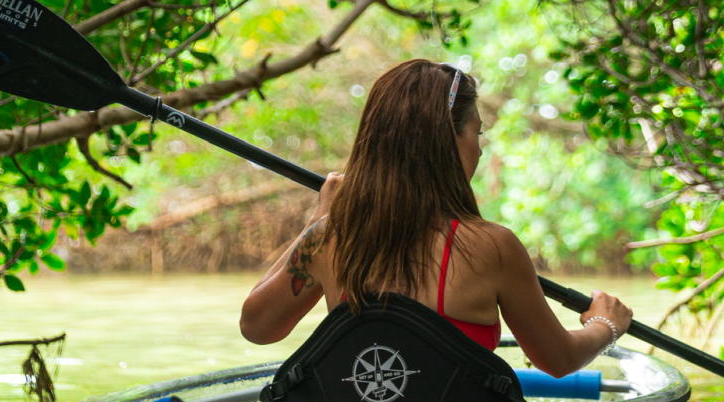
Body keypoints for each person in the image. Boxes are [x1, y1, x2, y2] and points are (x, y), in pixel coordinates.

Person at [239, 59, 632, 378]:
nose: (478, 150)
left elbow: (257, 327)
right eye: (476, 133)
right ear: (452, 142)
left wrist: (321, 220)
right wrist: (604, 325)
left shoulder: (329, 238)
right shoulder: (492, 246)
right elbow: (558, 360)